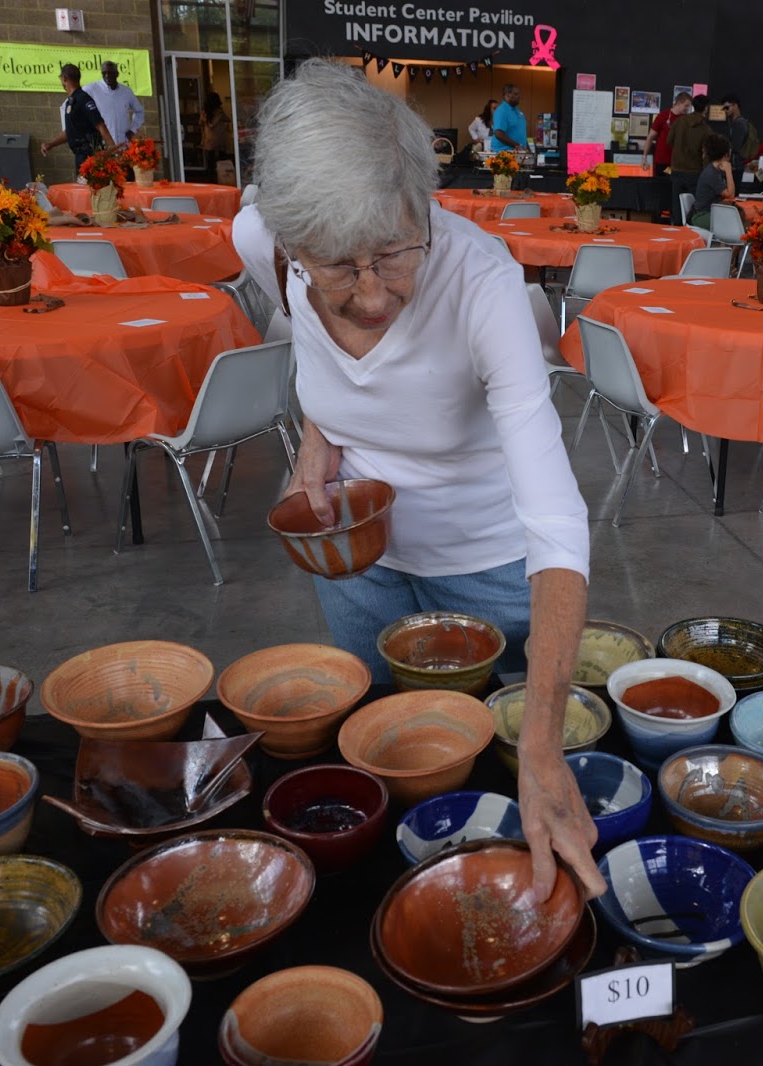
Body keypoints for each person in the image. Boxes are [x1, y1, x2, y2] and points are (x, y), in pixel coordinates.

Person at [232, 59, 601, 901]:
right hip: (356, 557)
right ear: (287, 243)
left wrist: (542, 751)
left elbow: (554, 514)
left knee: (496, 775)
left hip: (492, 571)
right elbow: (310, 335)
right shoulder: (261, 238)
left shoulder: (484, 286)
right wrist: (319, 437)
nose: (371, 296)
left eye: (394, 255)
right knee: (384, 762)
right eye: (337, 267)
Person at [39, 63, 114, 175]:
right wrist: (51, 144)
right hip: (80, 156)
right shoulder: (72, 101)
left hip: (89, 156)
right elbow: (69, 132)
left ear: (64, 78)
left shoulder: (83, 99)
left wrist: (113, 150)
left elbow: (100, 125)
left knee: (89, 190)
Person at [667, 93, 710, 223]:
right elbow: (708, 152)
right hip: (694, 171)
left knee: (676, 205)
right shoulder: (705, 128)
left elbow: (669, 141)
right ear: (706, 109)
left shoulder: (679, 121)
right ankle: (690, 231)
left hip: (677, 169)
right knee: (694, 205)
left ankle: (676, 231)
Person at [83, 61, 145, 143]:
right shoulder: (91, 89)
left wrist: (132, 130)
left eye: (110, 73)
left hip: (123, 143)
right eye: (104, 73)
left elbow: (140, 111)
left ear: (117, 74)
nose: (107, 76)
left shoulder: (126, 91)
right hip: (103, 145)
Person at [688, 132, 735, 230]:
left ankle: (728, 245)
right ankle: (731, 244)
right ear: (727, 154)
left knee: (736, 216)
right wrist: (729, 171)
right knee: (734, 219)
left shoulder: (714, 170)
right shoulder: (712, 174)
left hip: (708, 213)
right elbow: (731, 194)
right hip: (701, 216)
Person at [642, 90, 690, 176]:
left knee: (674, 187)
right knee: (661, 186)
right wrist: (644, 158)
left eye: (689, 106)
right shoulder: (663, 116)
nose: (687, 109)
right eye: (686, 106)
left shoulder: (686, 119)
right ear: (678, 103)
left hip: (678, 164)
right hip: (662, 161)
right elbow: (650, 137)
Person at [720, 95, 757, 170]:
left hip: (737, 165)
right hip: (738, 163)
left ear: (735, 106)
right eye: (724, 108)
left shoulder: (739, 123)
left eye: (727, 108)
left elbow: (736, 146)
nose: (725, 110)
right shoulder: (736, 122)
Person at [490, 83, 527, 153]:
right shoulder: (502, 110)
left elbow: (521, 132)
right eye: (516, 94)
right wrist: (517, 145)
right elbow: (499, 133)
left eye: (519, 94)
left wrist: (526, 148)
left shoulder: (517, 111)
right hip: (504, 153)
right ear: (507, 95)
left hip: (517, 152)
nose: (519, 96)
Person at [201, 91, 232, 170]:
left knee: (210, 162)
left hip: (208, 139)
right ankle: (220, 177)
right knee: (221, 161)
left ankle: (210, 178)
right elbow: (228, 119)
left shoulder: (204, 112)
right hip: (219, 138)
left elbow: (201, 123)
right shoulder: (219, 112)